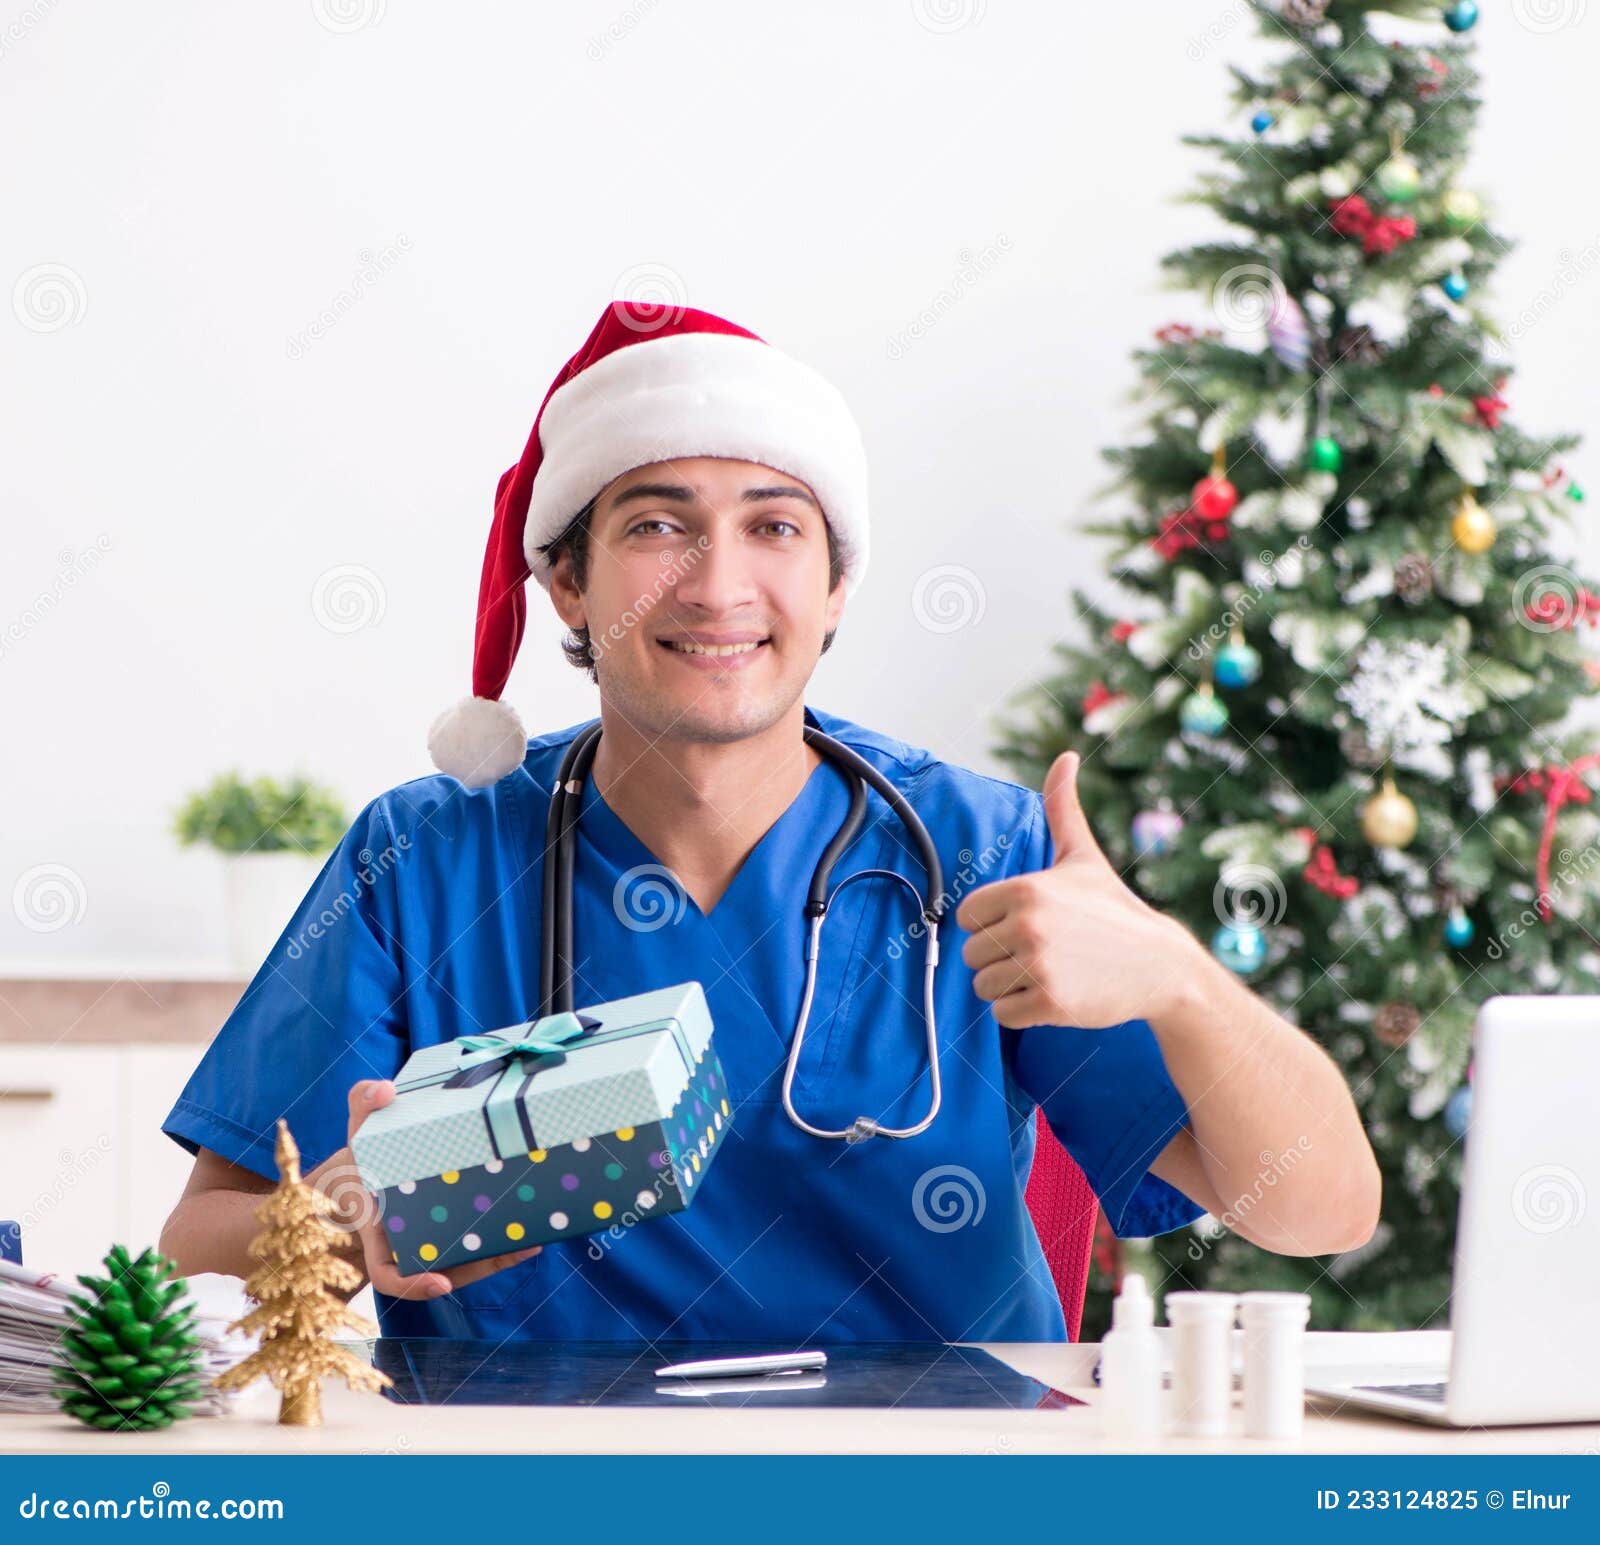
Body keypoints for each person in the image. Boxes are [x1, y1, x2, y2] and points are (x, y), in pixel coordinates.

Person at [158, 301, 1379, 1343]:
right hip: (530, 1476)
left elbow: (1320, 1212)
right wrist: (340, 1218)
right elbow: (195, 1235)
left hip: (932, 1488)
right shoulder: (421, 857)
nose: (718, 583)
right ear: (566, 580)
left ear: (835, 584)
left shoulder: (982, 855)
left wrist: (1180, 980)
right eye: (654, 524)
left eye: (773, 525)